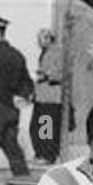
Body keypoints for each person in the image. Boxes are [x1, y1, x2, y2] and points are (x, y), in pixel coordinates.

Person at [0, 15, 34, 181]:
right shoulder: (16, 55)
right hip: (11, 111)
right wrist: (21, 97)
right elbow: (27, 83)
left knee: (12, 149)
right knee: (13, 150)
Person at [30, 28, 63, 164]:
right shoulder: (45, 53)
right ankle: (41, 153)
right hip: (41, 97)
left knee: (46, 128)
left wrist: (44, 75)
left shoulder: (57, 53)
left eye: (41, 39)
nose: (39, 42)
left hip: (50, 98)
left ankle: (47, 155)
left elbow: (59, 74)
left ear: (49, 39)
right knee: (36, 127)